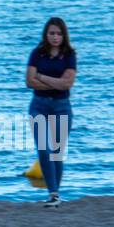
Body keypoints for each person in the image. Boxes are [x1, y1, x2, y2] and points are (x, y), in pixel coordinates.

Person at [26, 16, 77, 207]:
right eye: (51, 33)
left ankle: (55, 195)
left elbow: (67, 83)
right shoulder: (36, 54)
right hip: (39, 105)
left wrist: (40, 76)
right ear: (46, 35)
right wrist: (56, 83)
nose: (55, 37)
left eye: (58, 33)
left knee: (56, 152)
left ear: (64, 35)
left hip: (62, 106)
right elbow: (29, 82)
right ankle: (53, 193)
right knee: (43, 149)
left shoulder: (70, 55)